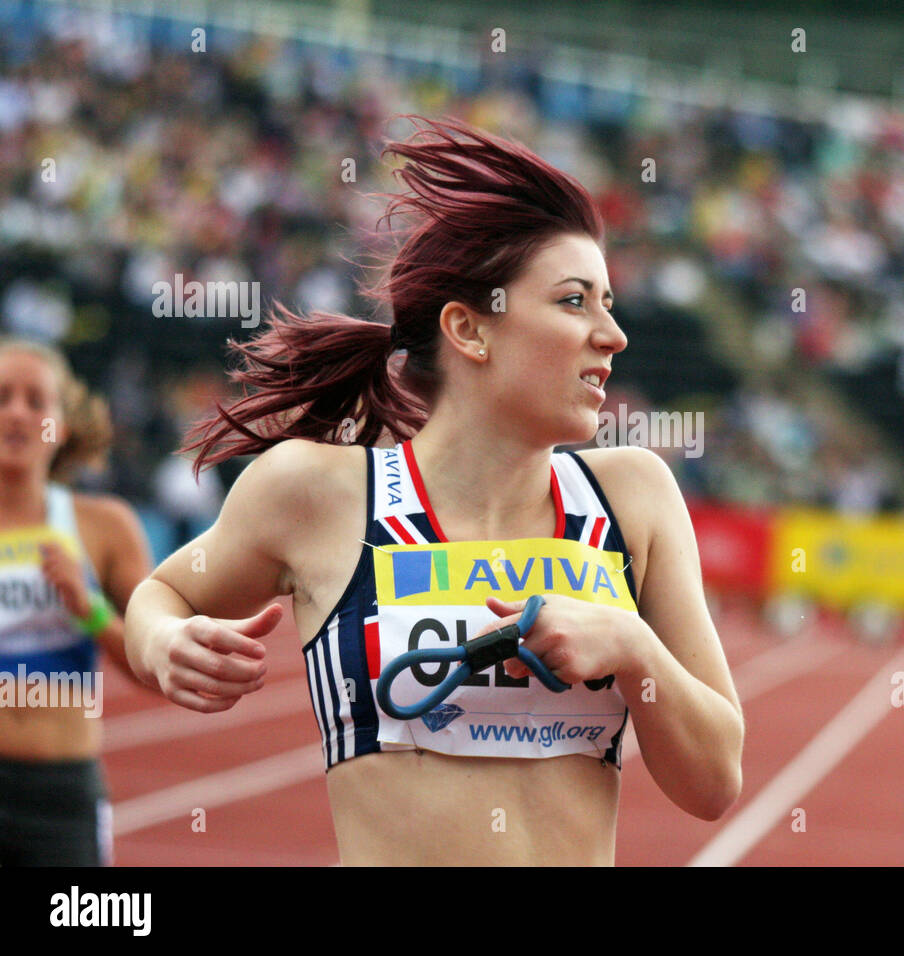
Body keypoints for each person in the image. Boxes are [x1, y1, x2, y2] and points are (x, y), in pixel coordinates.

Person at [123, 116, 745, 866]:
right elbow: (160, 595)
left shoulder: (633, 497)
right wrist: (164, 644)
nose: (612, 335)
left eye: (609, 303)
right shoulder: (318, 491)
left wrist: (632, 647)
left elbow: (714, 783)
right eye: (576, 301)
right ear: (470, 330)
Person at [0, 337, 154, 865]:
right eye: (1, 397)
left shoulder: (105, 527)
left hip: (59, 794)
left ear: (60, 425)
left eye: (36, 401)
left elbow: (154, 666)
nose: (17, 412)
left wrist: (86, 604)